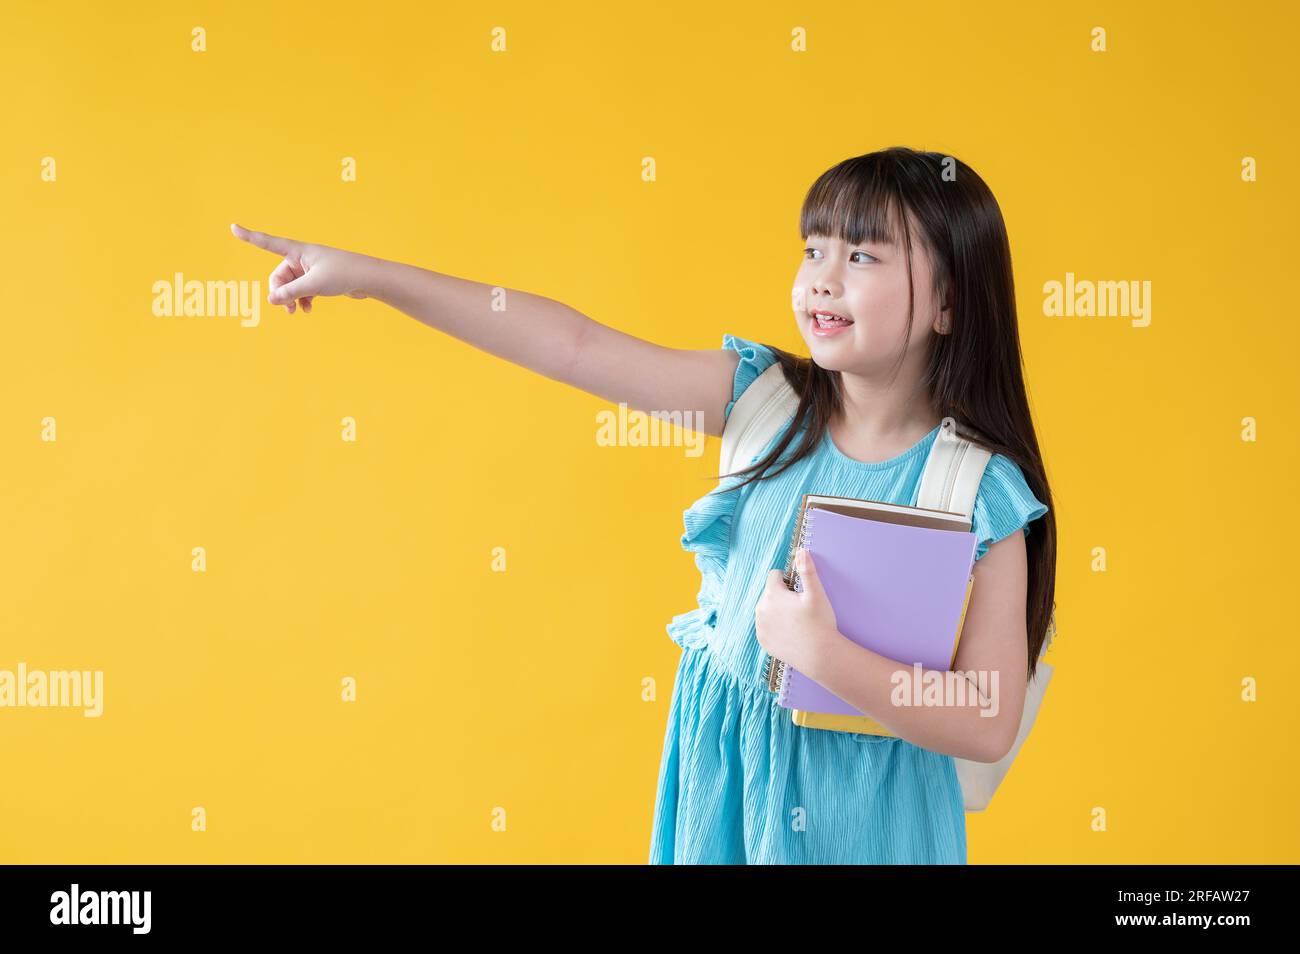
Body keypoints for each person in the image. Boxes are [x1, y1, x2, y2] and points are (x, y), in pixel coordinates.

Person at [231, 145, 1056, 864]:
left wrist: (823, 655)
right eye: (814, 248)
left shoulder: (974, 491)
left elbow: (986, 718)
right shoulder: (760, 402)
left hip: (872, 823)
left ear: (948, 303)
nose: (822, 278)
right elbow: (570, 344)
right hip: (724, 785)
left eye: (864, 257)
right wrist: (370, 278)